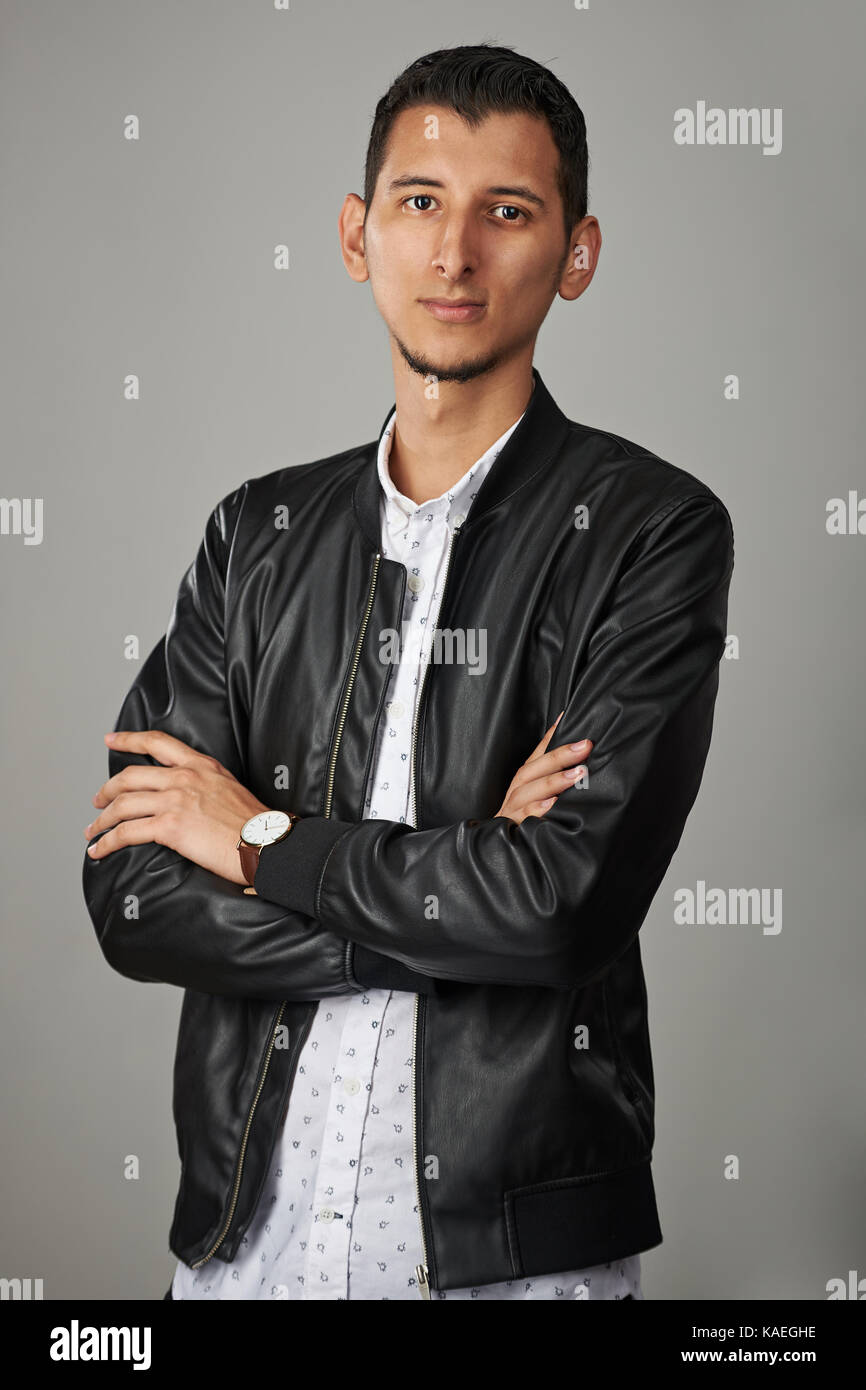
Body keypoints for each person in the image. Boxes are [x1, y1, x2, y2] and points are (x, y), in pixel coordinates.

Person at [82, 43, 734, 1300]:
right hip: (241, 1253)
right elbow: (131, 896)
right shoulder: (254, 535)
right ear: (355, 232)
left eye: (507, 211)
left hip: (517, 1265)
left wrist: (261, 840)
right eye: (419, 202)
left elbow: (557, 907)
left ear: (576, 254)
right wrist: (457, 886)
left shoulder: (652, 528)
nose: (453, 255)